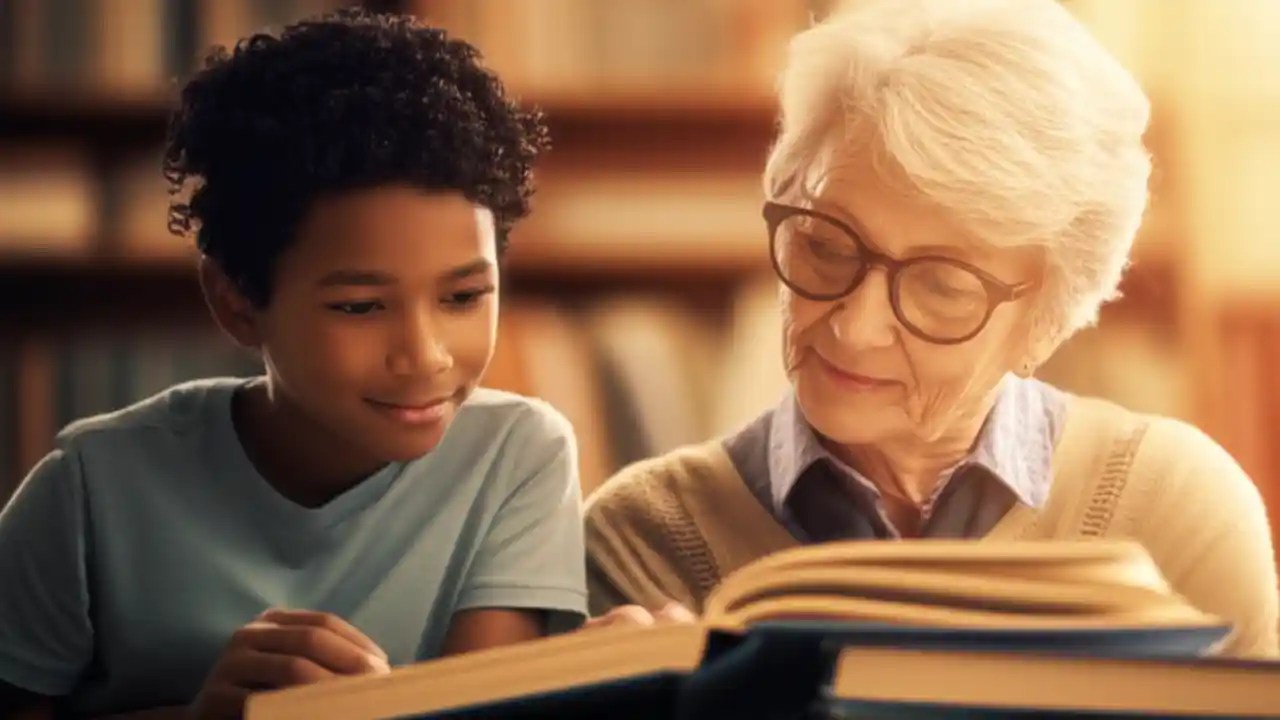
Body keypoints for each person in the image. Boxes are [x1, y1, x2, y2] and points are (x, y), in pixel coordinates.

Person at [584, 0, 1278, 657]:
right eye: (825, 246)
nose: (856, 327)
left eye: (941, 287)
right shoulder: (640, 542)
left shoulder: (1177, 514)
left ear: (1045, 322)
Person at [0, 9, 586, 719]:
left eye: (463, 297)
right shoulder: (91, 491)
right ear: (238, 301)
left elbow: (480, 712)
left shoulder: (517, 458)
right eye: (360, 306)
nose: (425, 356)